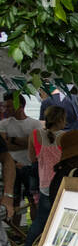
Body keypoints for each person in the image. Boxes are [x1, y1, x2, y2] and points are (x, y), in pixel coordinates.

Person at [20, 106, 66, 246]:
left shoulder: (35, 134)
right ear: (61, 119)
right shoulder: (64, 137)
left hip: (44, 183)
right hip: (61, 184)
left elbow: (32, 158)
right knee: (62, 219)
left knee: (40, 220)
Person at [0, 92, 42, 223]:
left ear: (20, 106)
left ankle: (33, 230)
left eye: (10, 106)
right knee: (14, 199)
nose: (7, 110)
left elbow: (36, 144)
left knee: (33, 199)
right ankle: (16, 231)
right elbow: (4, 146)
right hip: (14, 165)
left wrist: (12, 140)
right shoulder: (3, 124)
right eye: (6, 107)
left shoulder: (35, 124)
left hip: (30, 166)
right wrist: (25, 142)